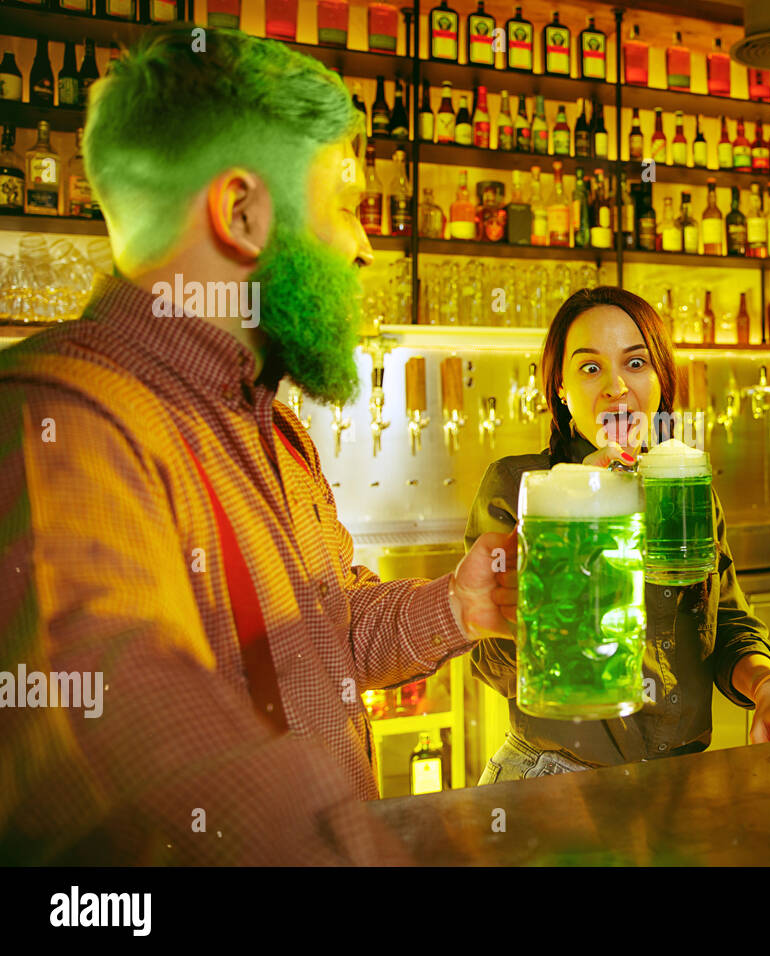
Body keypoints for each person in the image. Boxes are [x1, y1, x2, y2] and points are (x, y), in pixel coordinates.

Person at [0, 26, 516, 864]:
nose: (365, 246)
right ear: (241, 212)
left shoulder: (272, 429)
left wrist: (457, 607)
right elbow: (105, 714)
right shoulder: (66, 419)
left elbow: (327, 632)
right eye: (345, 204)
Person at [466, 287, 770, 782]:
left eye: (636, 363)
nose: (616, 387)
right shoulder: (524, 487)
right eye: (589, 367)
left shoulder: (685, 487)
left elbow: (726, 619)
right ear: (560, 385)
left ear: (662, 380)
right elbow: (490, 659)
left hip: (679, 781)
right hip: (555, 776)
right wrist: (578, 524)